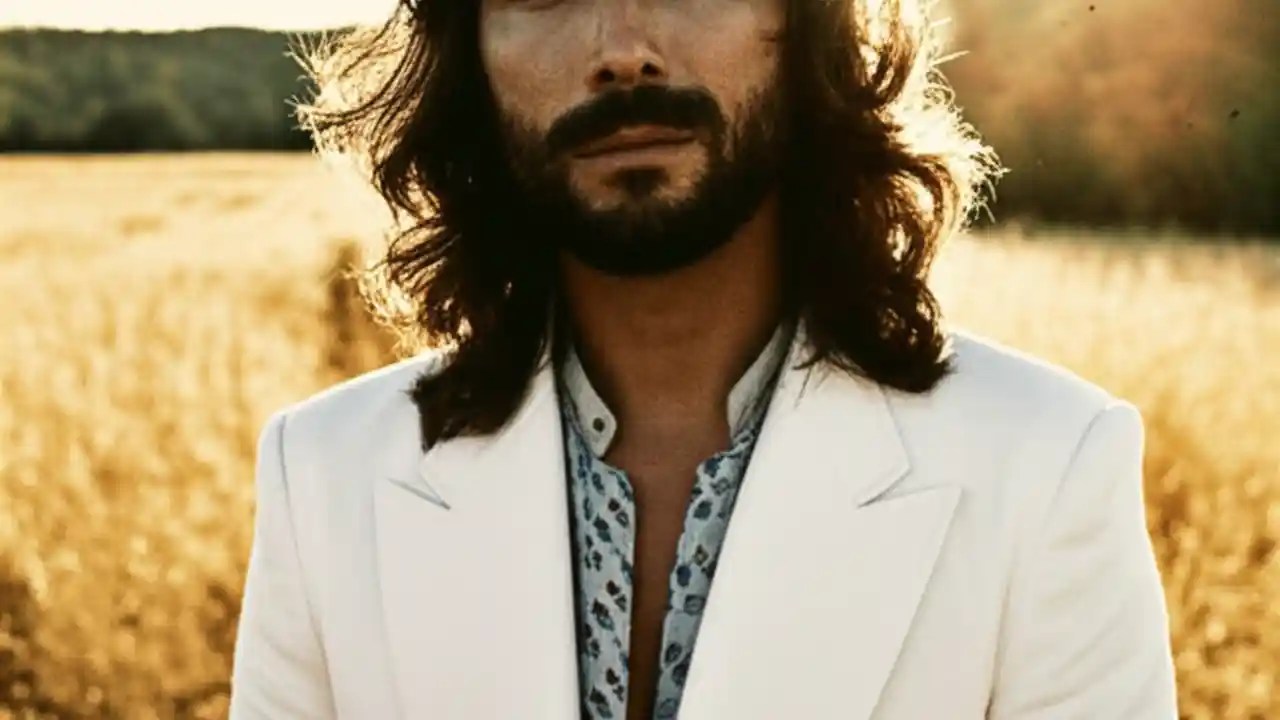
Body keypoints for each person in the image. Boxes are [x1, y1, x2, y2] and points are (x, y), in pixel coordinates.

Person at [228, 0, 1179, 718]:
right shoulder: (323, 478)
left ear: (806, 27)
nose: (623, 51)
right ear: (467, 55)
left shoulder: (1049, 465)